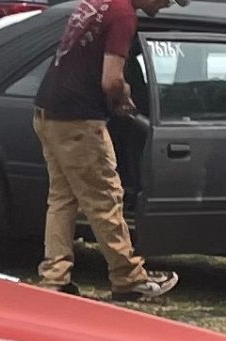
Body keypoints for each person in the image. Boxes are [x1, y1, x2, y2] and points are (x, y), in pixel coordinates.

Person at [32, 0, 180, 301]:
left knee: (63, 198)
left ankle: (54, 278)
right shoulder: (123, 16)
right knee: (105, 197)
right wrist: (123, 95)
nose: (166, 5)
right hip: (78, 119)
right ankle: (128, 278)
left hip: (48, 110)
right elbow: (111, 79)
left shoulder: (100, 3)